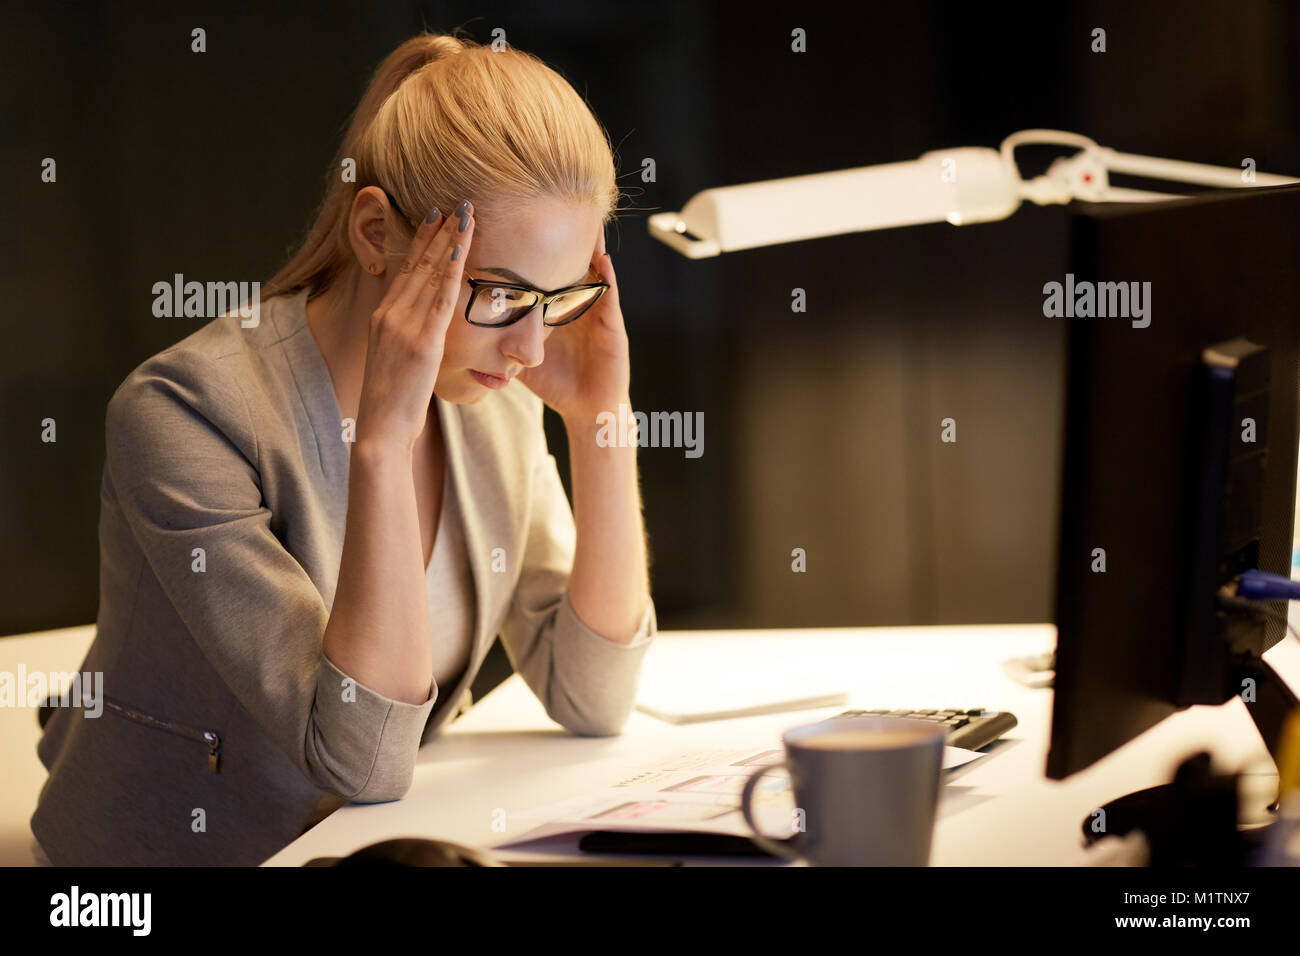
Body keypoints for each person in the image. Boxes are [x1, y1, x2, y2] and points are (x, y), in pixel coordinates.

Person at [30, 30, 657, 866]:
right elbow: (360, 757)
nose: (533, 350)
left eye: (561, 296)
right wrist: (383, 444)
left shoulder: (487, 392)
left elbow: (596, 695)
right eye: (503, 293)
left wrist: (600, 421)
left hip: (367, 847)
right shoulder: (183, 412)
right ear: (375, 233)